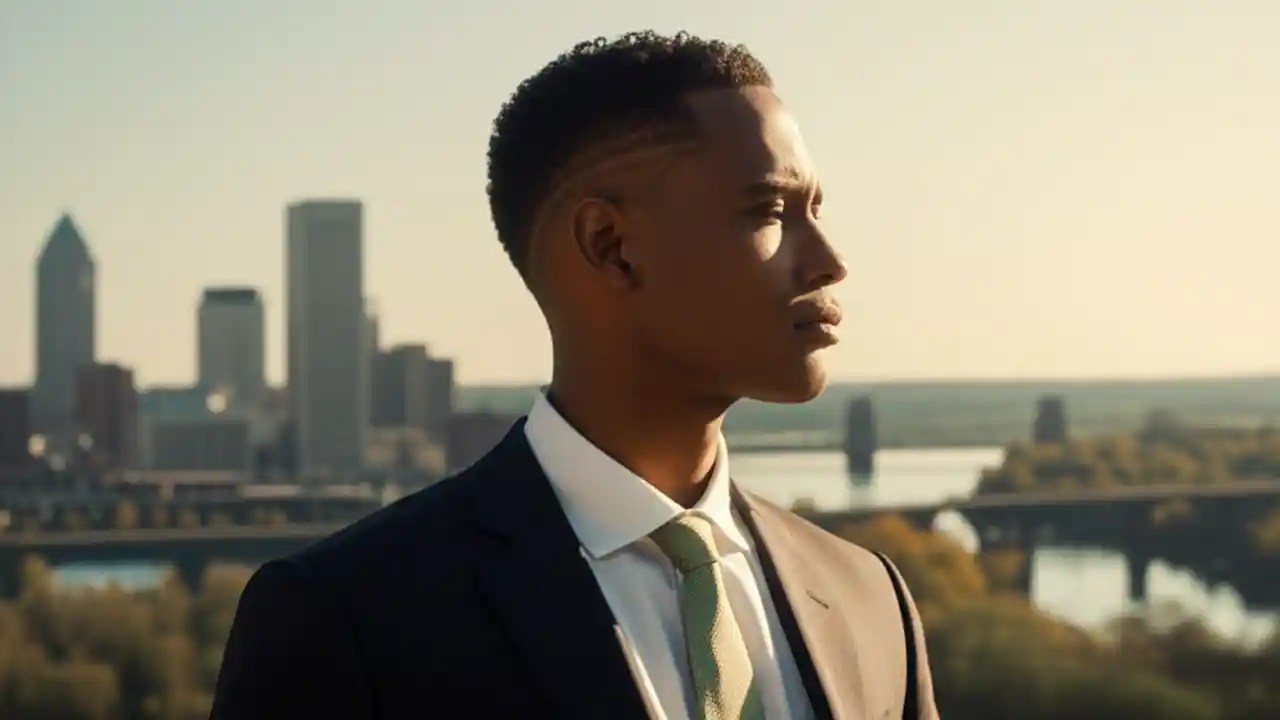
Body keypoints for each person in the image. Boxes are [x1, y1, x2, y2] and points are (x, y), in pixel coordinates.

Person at [211, 31, 939, 720]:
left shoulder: (871, 602)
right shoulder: (347, 621)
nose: (830, 262)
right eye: (770, 211)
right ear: (610, 244)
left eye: (816, 210)